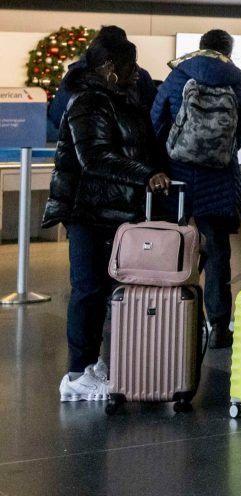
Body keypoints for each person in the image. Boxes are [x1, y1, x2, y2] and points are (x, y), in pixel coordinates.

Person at [43, 38, 169, 402]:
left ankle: (90, 364)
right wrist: (145, 174)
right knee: (87, 289)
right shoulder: (89, 102)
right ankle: (76, 373)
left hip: (109, 211)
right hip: (88, 210)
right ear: (112, 67)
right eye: (131, 67)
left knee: (98, 290)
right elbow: (94, 157)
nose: (135, 75)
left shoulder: (115, 100)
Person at [152, 29, 241, 349]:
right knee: (218, 251)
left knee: (174, 247)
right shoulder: (234, 81)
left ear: (200, 47)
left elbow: (156, 121)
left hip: (177, 176)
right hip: (218, 177)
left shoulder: (178, 76)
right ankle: (219, 325)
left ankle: (171, 316)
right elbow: (240, 132)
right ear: (228, 51)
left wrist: (163, 161)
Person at [46, 26, 157, 142]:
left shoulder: (75, 75)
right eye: (129, 62)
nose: (136, 70)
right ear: (110, 66)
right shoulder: (91, 100)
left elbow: (56, 115)